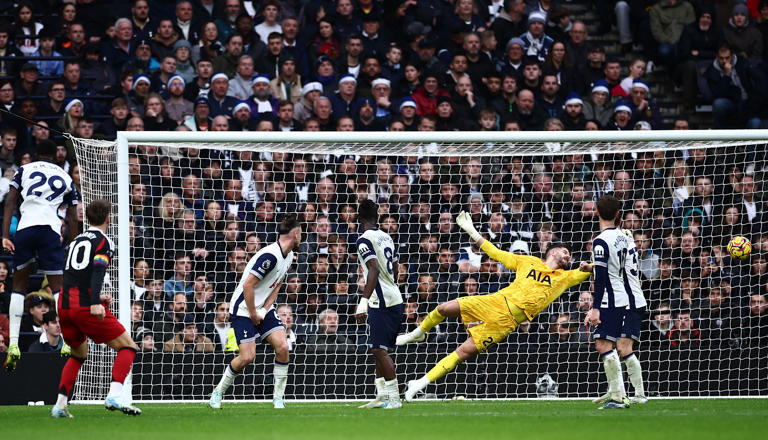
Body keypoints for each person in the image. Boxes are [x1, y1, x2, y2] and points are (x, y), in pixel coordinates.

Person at [397, 210, 592, 400]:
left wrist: (589, 266)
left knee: (463, 352)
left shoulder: (565, 277)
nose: (569, 257)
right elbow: (495, 253)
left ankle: (419, 383)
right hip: (495, 301)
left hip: (507, 322)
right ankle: (417, 334)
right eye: (566, 252)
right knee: (443, 308)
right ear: (553, 250)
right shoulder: (528, 261)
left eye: (570, 256)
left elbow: (597, 267)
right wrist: (471, 230)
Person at [52, 199, 141, 418]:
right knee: (128, 347)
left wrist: (96, 296)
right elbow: (98, 271)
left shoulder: (75, 241)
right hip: (84, 306)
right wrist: (93, 303)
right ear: (108, 218)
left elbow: (74, 275)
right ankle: (114, 395)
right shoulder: (104, 242)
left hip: (64, 304)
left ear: (88, 218)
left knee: (78, 353)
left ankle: (60, 406)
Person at [209, 214, 302, 410]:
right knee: (247, 357)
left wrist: (266, 309)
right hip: (243, 308)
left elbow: (278, 284)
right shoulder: (270, 256)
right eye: (301, 234)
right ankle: (218, 392)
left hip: (262, 308)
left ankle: (278, 398)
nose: (302, 238)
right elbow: (248, 285)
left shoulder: (290, 255)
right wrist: (253, 312)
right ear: (295, 234)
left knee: (283, 347)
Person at [3, 139, 79, 372]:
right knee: (58, 288)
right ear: (56, 156)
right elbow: (73, 217)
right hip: (49, 230)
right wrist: (71, 243)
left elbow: (10, 201)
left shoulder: (24, 169)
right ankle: (66, 341)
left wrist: (5, 235)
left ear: (36, 154)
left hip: (26, 228)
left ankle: (14, 344)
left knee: (18, 285)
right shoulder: (65, 177)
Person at [584, 195, 647, 410]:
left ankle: (620, 396)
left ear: (597, 213)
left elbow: (602, 277)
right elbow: (613, 265)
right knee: (609, 344)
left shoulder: (600, 240)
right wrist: (592, 266)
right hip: (621, 296)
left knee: (606, 344)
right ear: (619, 215)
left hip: (610, 299)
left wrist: (595, 308)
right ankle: (617, 392)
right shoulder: (623, 237)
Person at [354, 199, 405, 409]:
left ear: (359, 219)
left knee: (379, 350)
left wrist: (363, 300)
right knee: (378, 348)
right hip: (395, 296)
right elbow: (396, 268)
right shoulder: (387, 237)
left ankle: (394, 398)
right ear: (377, 217)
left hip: (381, 300)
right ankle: (382, 396)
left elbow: (373, 270)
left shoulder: (363, 240)